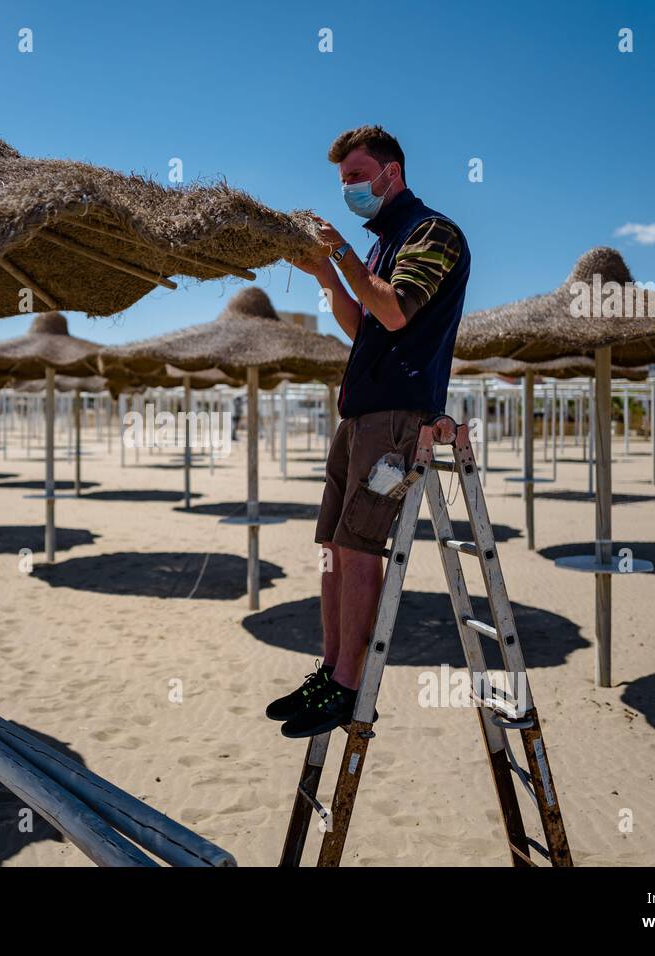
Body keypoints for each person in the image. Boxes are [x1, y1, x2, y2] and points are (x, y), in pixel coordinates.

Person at [266, 125, 471, 738]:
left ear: (392, 172)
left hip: (397, 414)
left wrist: (344, 258)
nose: (349, 189)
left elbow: (393, 310)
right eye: (343, 182)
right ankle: (330, 669)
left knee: (358, 544)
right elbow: (364, 327)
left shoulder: (433, 233)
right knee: (332, 543)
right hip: (359, 412)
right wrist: (327, 277)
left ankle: (351, 684)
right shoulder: (381, 245)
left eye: (356, 177)